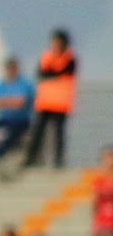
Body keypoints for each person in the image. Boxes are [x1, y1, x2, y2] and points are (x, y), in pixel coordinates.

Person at [23, 29, 76, 169]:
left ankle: (58, 162)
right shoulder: (46, 56)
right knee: (37, 132)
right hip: (45, 102)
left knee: (58, 134)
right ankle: (30, 159)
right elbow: (41, 73)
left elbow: (61, 72)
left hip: (60, 103)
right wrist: (51, 74)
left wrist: (51, 74)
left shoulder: (70, 58)